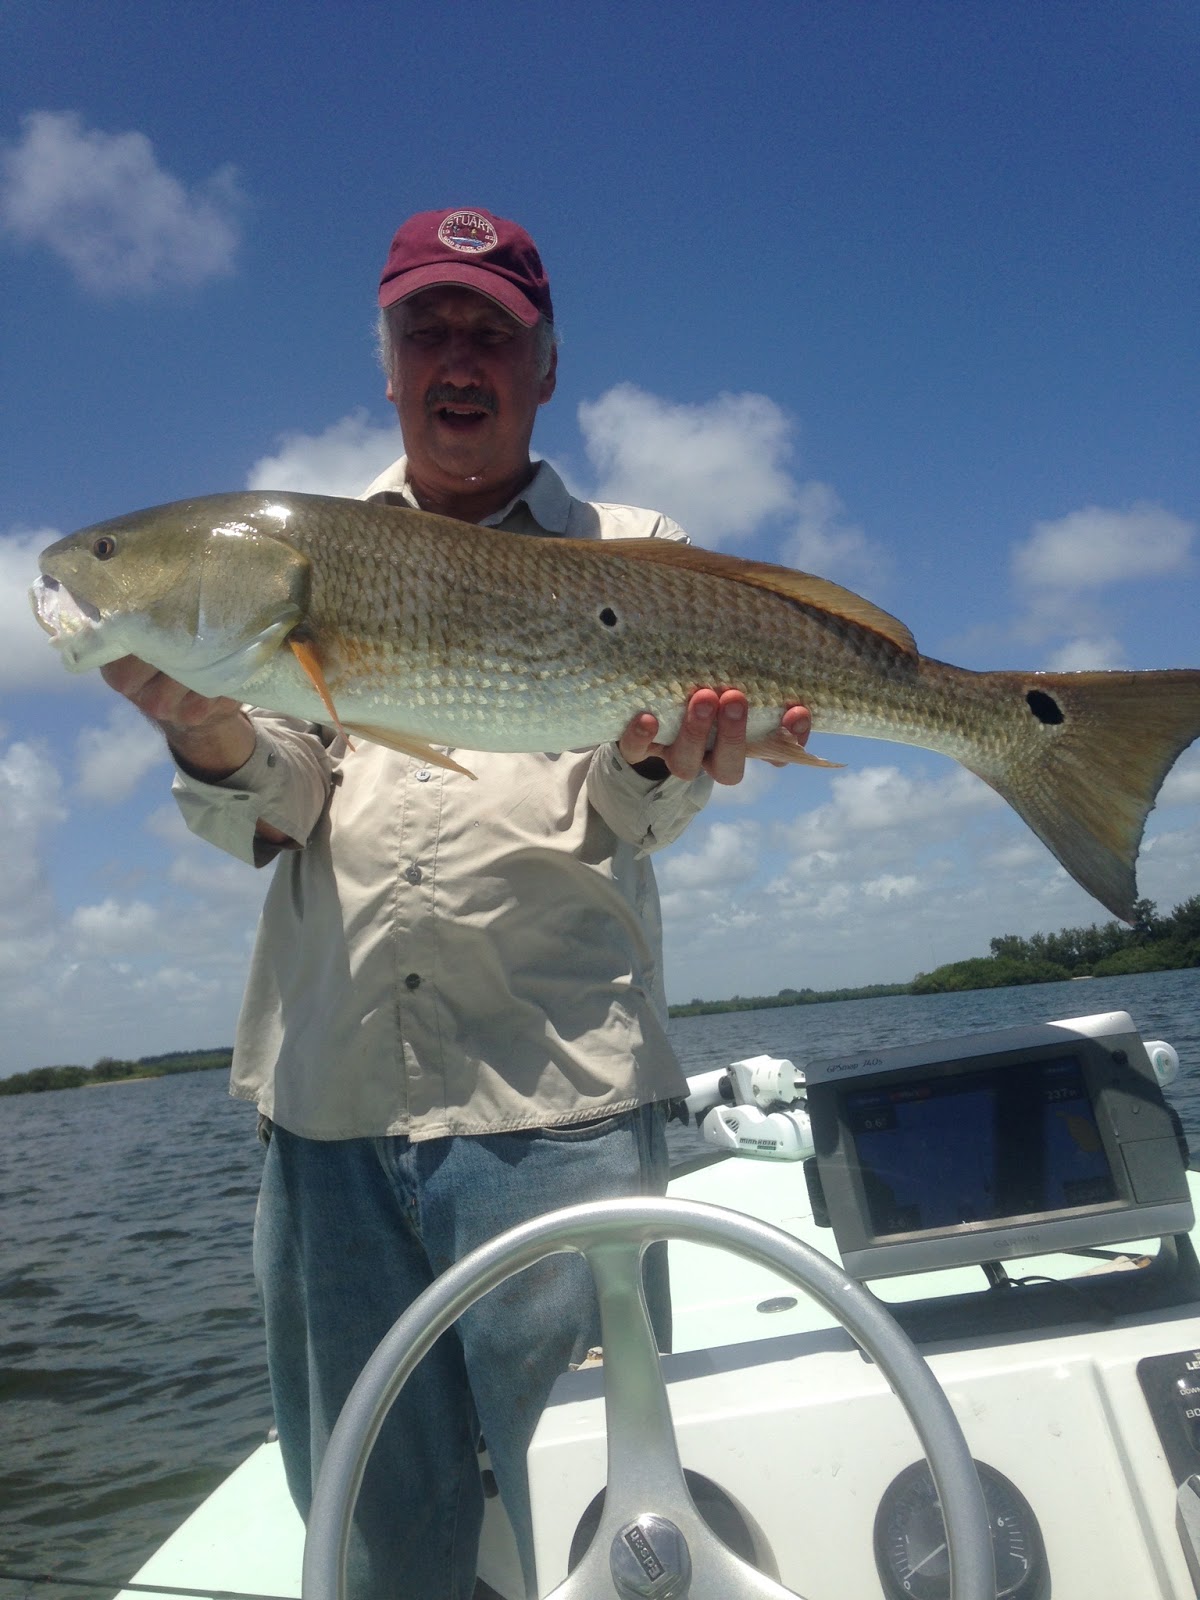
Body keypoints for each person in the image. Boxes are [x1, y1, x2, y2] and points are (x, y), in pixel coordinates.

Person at [101, 207, 809, 1600]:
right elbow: (288, 794)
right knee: (372, 1540)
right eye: (428, 326)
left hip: (564, 1115)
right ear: (387, 362)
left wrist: (665, 764)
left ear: (547, 367)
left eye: (492, 330)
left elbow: (626, 816)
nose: (458, 355)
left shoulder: (636, 550)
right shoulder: (290, 557)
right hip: (329, 1116)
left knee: (619, 1531)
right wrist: (206, 734)